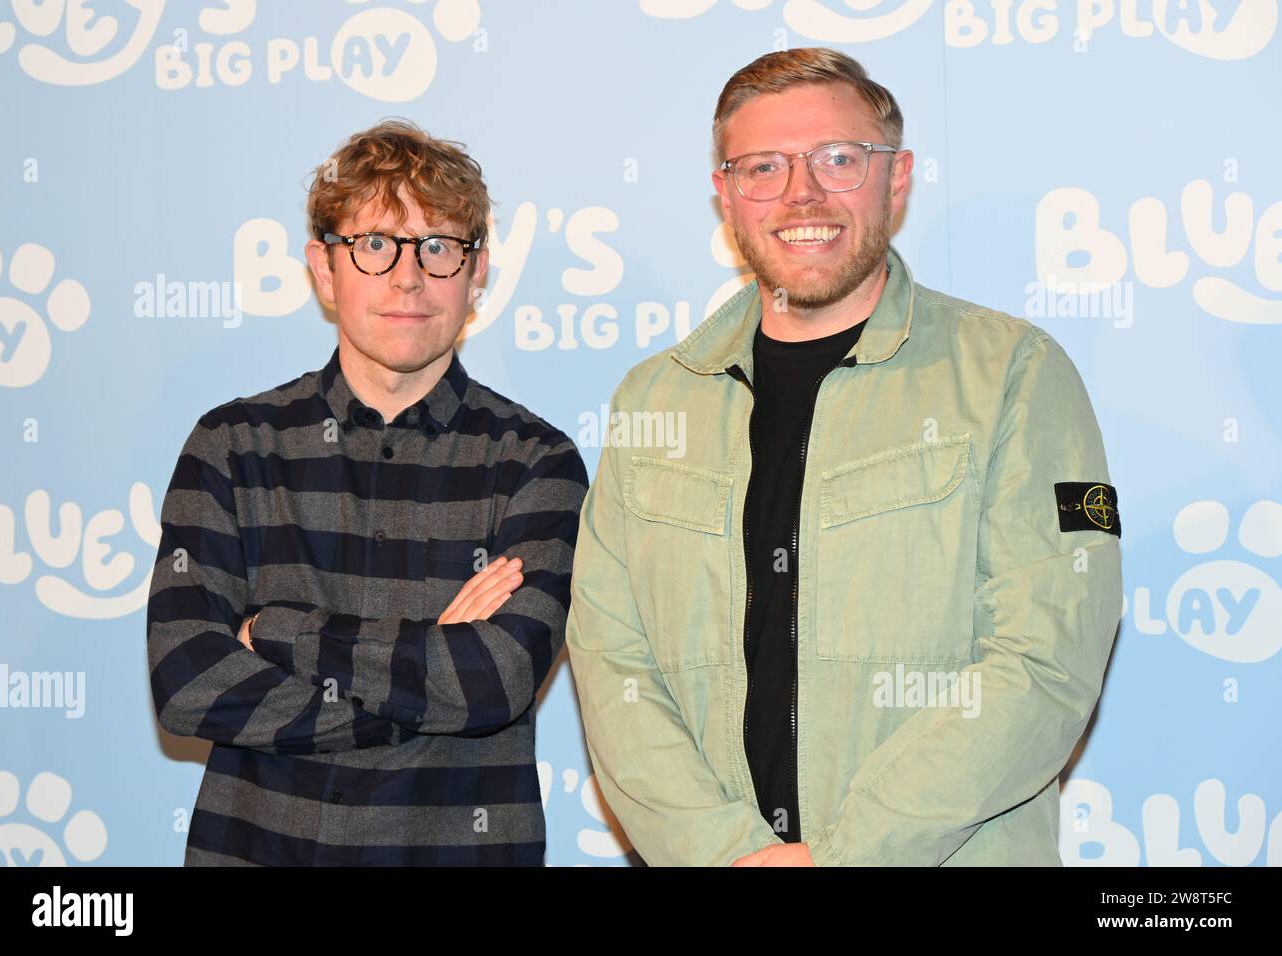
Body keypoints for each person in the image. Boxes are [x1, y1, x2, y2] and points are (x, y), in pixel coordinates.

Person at [566, 48, 1122, 866]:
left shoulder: (1015, 374)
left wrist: (849, 856)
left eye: (838, 159)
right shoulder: (653, 400)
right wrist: (725, 854)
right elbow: (613, 659)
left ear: (895, 181)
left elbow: (1047, 657)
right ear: (726, 195)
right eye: (764, 166)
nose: (803, 194)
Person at [146, 119, 588, 866]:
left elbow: (495, 681)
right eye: (376, 244)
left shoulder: (538, 463)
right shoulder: (232, 446)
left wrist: (277, 632)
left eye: (439, 248)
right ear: (325, 269)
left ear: (477, 275)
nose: (408, 277)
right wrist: (429, 673)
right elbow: (188, 684)